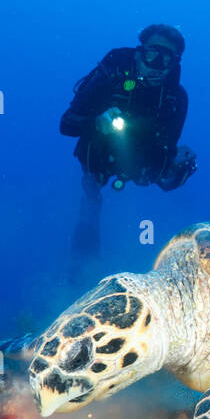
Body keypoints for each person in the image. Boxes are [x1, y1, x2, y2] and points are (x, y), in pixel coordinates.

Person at [60, 24, 197, 256]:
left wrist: (175, 168)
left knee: (181, 168)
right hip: (100, 157)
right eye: (152, 54)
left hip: (140, 162)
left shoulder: (176, 98)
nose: (157, 66)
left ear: (176, 64)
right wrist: (96, 122)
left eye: (167, 59)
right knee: (92, 195)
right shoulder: (110, 77)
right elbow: (66, 124)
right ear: (138, 52)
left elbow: (166, 154)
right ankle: (82, 262)